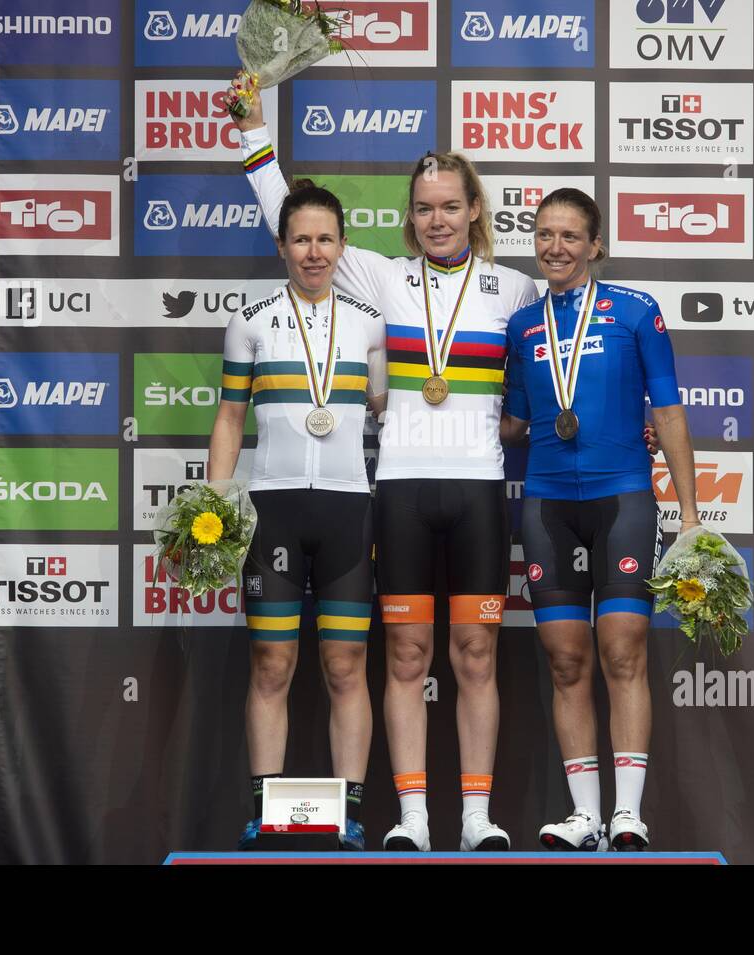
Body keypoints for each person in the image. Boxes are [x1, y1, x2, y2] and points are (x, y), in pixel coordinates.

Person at [229, 76, 537, 851]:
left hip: (478, 491)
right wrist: (254, 131)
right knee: (403, 653)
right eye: (424, 208)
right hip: (396, 489)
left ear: (474, 210)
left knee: (475, 654)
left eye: (450, 205)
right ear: (411, 216)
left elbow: (555, 373)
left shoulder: (518, 288)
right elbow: (290, 217)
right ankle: (411, 818)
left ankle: (474, 818)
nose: (437, 220)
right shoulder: (380, 277)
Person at [500, 188, 700, 851]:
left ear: (595, 245)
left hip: (622, 496)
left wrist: (692, 514)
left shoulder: (637, 312)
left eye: (568, 235)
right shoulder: (523, 327)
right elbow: (515, 418)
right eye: (543, 234)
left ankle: (628, 814)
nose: (554, 247)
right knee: (564, 659)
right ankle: (585, 815)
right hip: (548, 500)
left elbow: (667, 410)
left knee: (622, 650)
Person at [207, 179, 387, 851]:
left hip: (348, 511)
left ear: (343, 245)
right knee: (271, 665)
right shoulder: (250, 319)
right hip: (273, 509)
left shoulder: (370, 320)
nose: (314, 251)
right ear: (281, 244)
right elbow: (228, 417)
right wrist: (216, 504)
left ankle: (350, 814)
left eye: (326, 238)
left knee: (346, 665)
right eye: (301, 239)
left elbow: (386, 407)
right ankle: (265, 812)